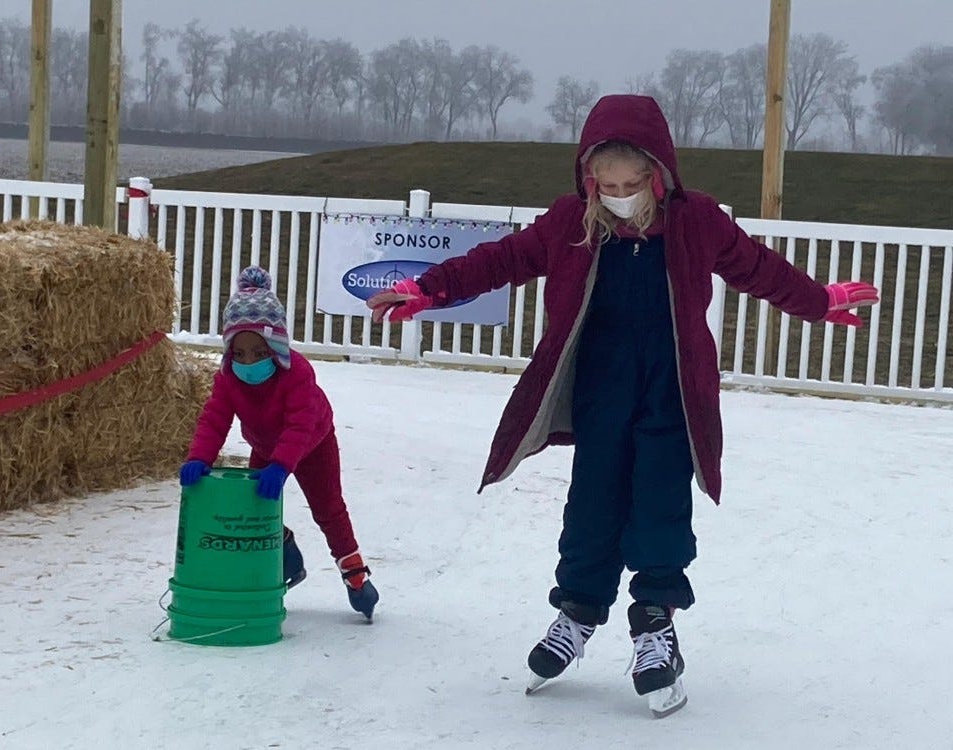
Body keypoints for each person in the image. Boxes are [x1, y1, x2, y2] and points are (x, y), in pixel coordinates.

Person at [366, 94, 878, 716]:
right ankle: (578, 612)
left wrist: (818, 301)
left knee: (660, 504)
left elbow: (758, 268)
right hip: (601, 389)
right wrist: (428, 288)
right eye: (605, 184)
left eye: (632, 183)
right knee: (593, 501)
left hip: (671, 392)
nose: (618, 194)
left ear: (658, 175)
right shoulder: (569, 223)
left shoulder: (698, 222)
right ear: (589, 181)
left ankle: (655, 625)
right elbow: (499, 261)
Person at [181, 266, 379, 621]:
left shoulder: (297, 374)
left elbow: (300, 425)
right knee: (254, 510)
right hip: (267, 446)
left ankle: (355, 574)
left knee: (329, 509)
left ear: (275, 347)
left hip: (313, 443)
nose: (248, 362)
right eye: (238, 354)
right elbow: (214, 419)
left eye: (257, 352)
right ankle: (286, 551)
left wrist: (282, 465)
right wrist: (200, 457)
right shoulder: (229, 379)